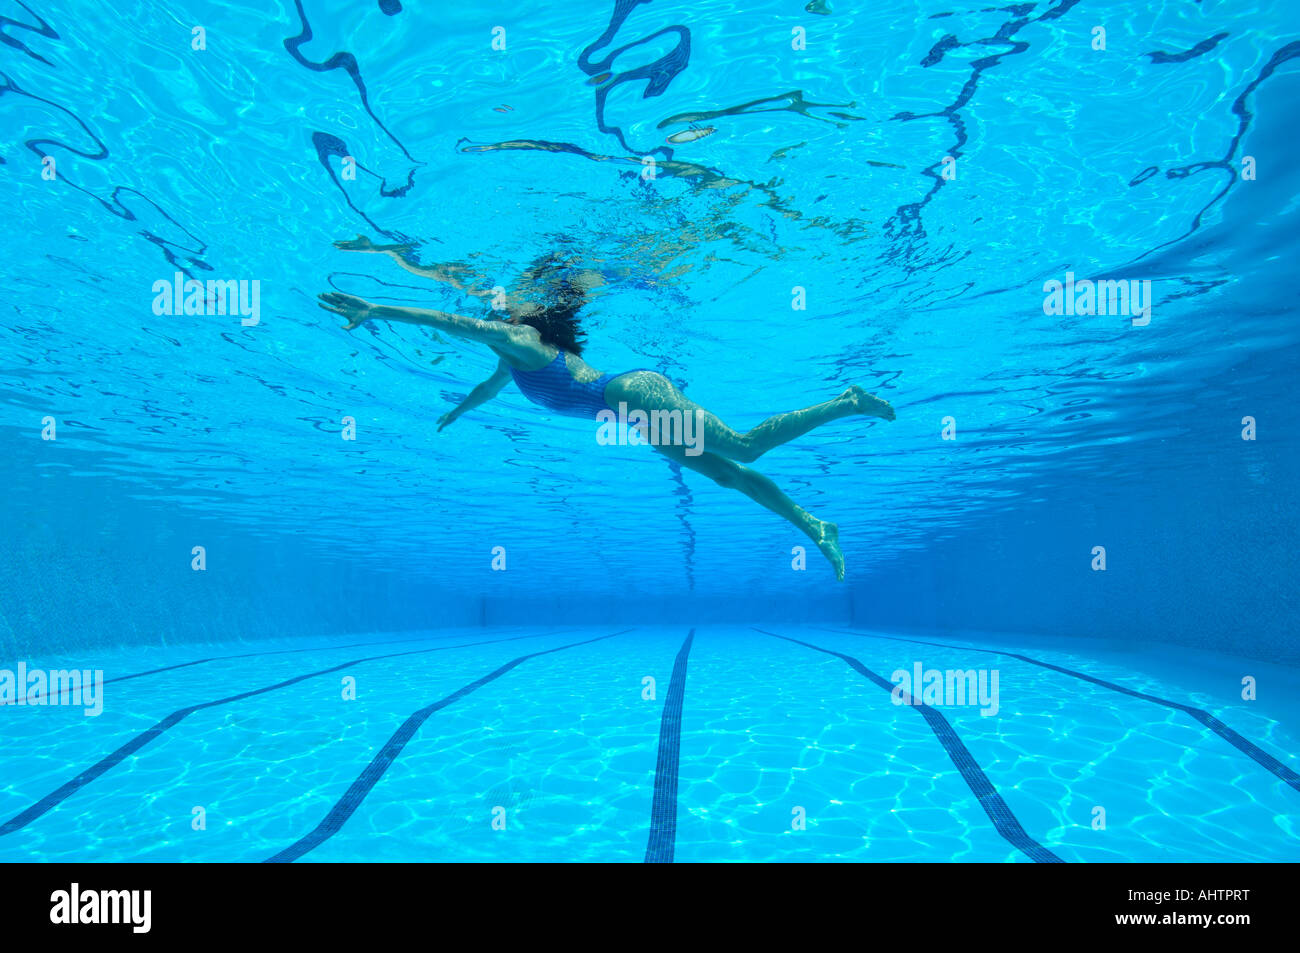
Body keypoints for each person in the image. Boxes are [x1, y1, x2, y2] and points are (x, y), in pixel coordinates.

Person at [319, 238, 895, 578]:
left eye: (509, 300)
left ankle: (847, 401)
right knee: (727, 475)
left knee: (745, 447)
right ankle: (816, 525)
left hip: (629, 394)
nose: (499, 305)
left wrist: (375, 308)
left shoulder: (516, 338)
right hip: (631, 414)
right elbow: (492, 386)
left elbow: (449, 321)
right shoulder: (511, 356)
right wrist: (460, 412)